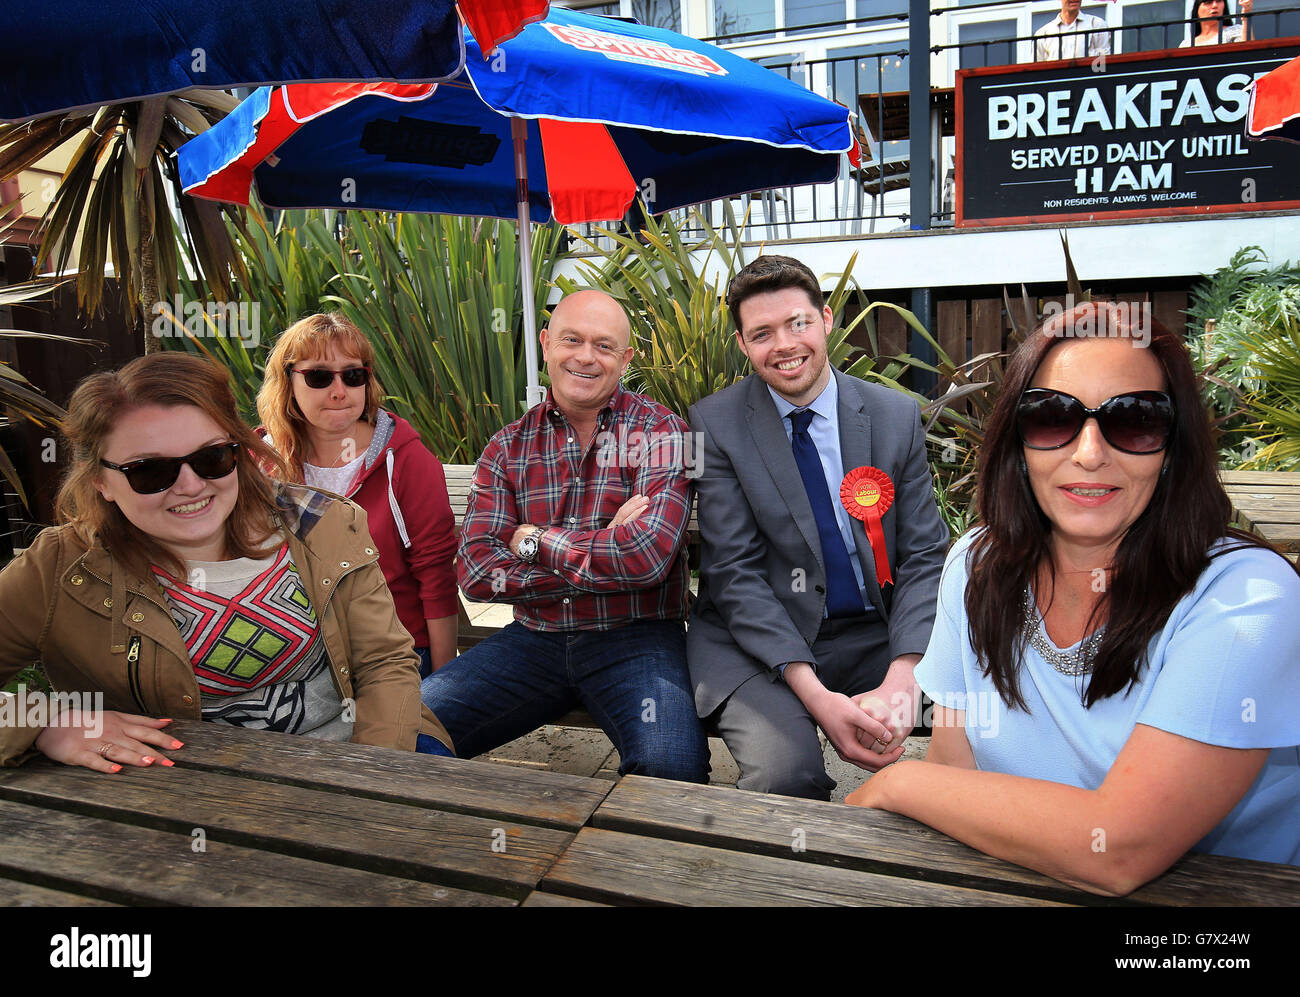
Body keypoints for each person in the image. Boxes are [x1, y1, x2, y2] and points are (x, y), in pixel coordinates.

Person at [846, 302, 1300, 893]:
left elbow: (1119, 848)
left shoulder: (1246, 601)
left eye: (1134, 419)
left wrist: (895, 784)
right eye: (1052, 417)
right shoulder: (976, 566)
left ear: (1173, 448)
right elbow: (958, 774)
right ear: (1018, 442)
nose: (1089, 452)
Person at [0, 353, 453, 771]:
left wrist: (368, 777)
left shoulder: (323, 524)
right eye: (150, 471)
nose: (190, 486)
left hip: (364, 750)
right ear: (99, 480)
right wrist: (44, 723)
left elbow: (383, 663)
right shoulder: (61, 567)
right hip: (186, 790)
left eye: (212, 458)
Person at [421, 289, 710, 783]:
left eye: (603, 346)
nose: (584, 356)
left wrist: (532, 540)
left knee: (671, 768)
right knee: (404, 729)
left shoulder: (666, 432)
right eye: (571, 339)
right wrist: (604, 545)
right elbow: (474, 573)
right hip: (533, 640)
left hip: (638, 639)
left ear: (626, 358)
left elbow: (647, 559)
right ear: (546, 343)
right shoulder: (507, 445)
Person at [687, 255, 949, 800]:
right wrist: (818, 698)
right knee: (787, 776)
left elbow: (925, 553)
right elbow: (733, 573)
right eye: (762, 333)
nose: (783, 345)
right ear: (742, 344)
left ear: (826, 319)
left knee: (996, 725)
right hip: (759, 642)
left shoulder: (893, 416)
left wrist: (904, 675)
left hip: (878, 634)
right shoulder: (715, 424)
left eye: (797, 323)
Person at [257, 313, 458, 678]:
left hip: (393, 652)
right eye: (319, 377)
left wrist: (444, 683)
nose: (339, 391)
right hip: (295, 656)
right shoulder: (261, 465)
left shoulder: (406, 458)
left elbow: (436, 574)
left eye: (352, 375)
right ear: (287, 381)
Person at [1034, 0, 1112, 62]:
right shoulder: (1043, 33)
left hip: (1089, 79)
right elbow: (1037, 69)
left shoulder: (1097, 25)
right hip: (1057, 80)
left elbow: (1104, 61)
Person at [1180, 0, 1252, 46]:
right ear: (1197, 10)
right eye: (1208, 2)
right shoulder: (1186, 44)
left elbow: (1247, 53)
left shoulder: (1234, 31)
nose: (1215, 5)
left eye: (1219, 0)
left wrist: (1246, 17)